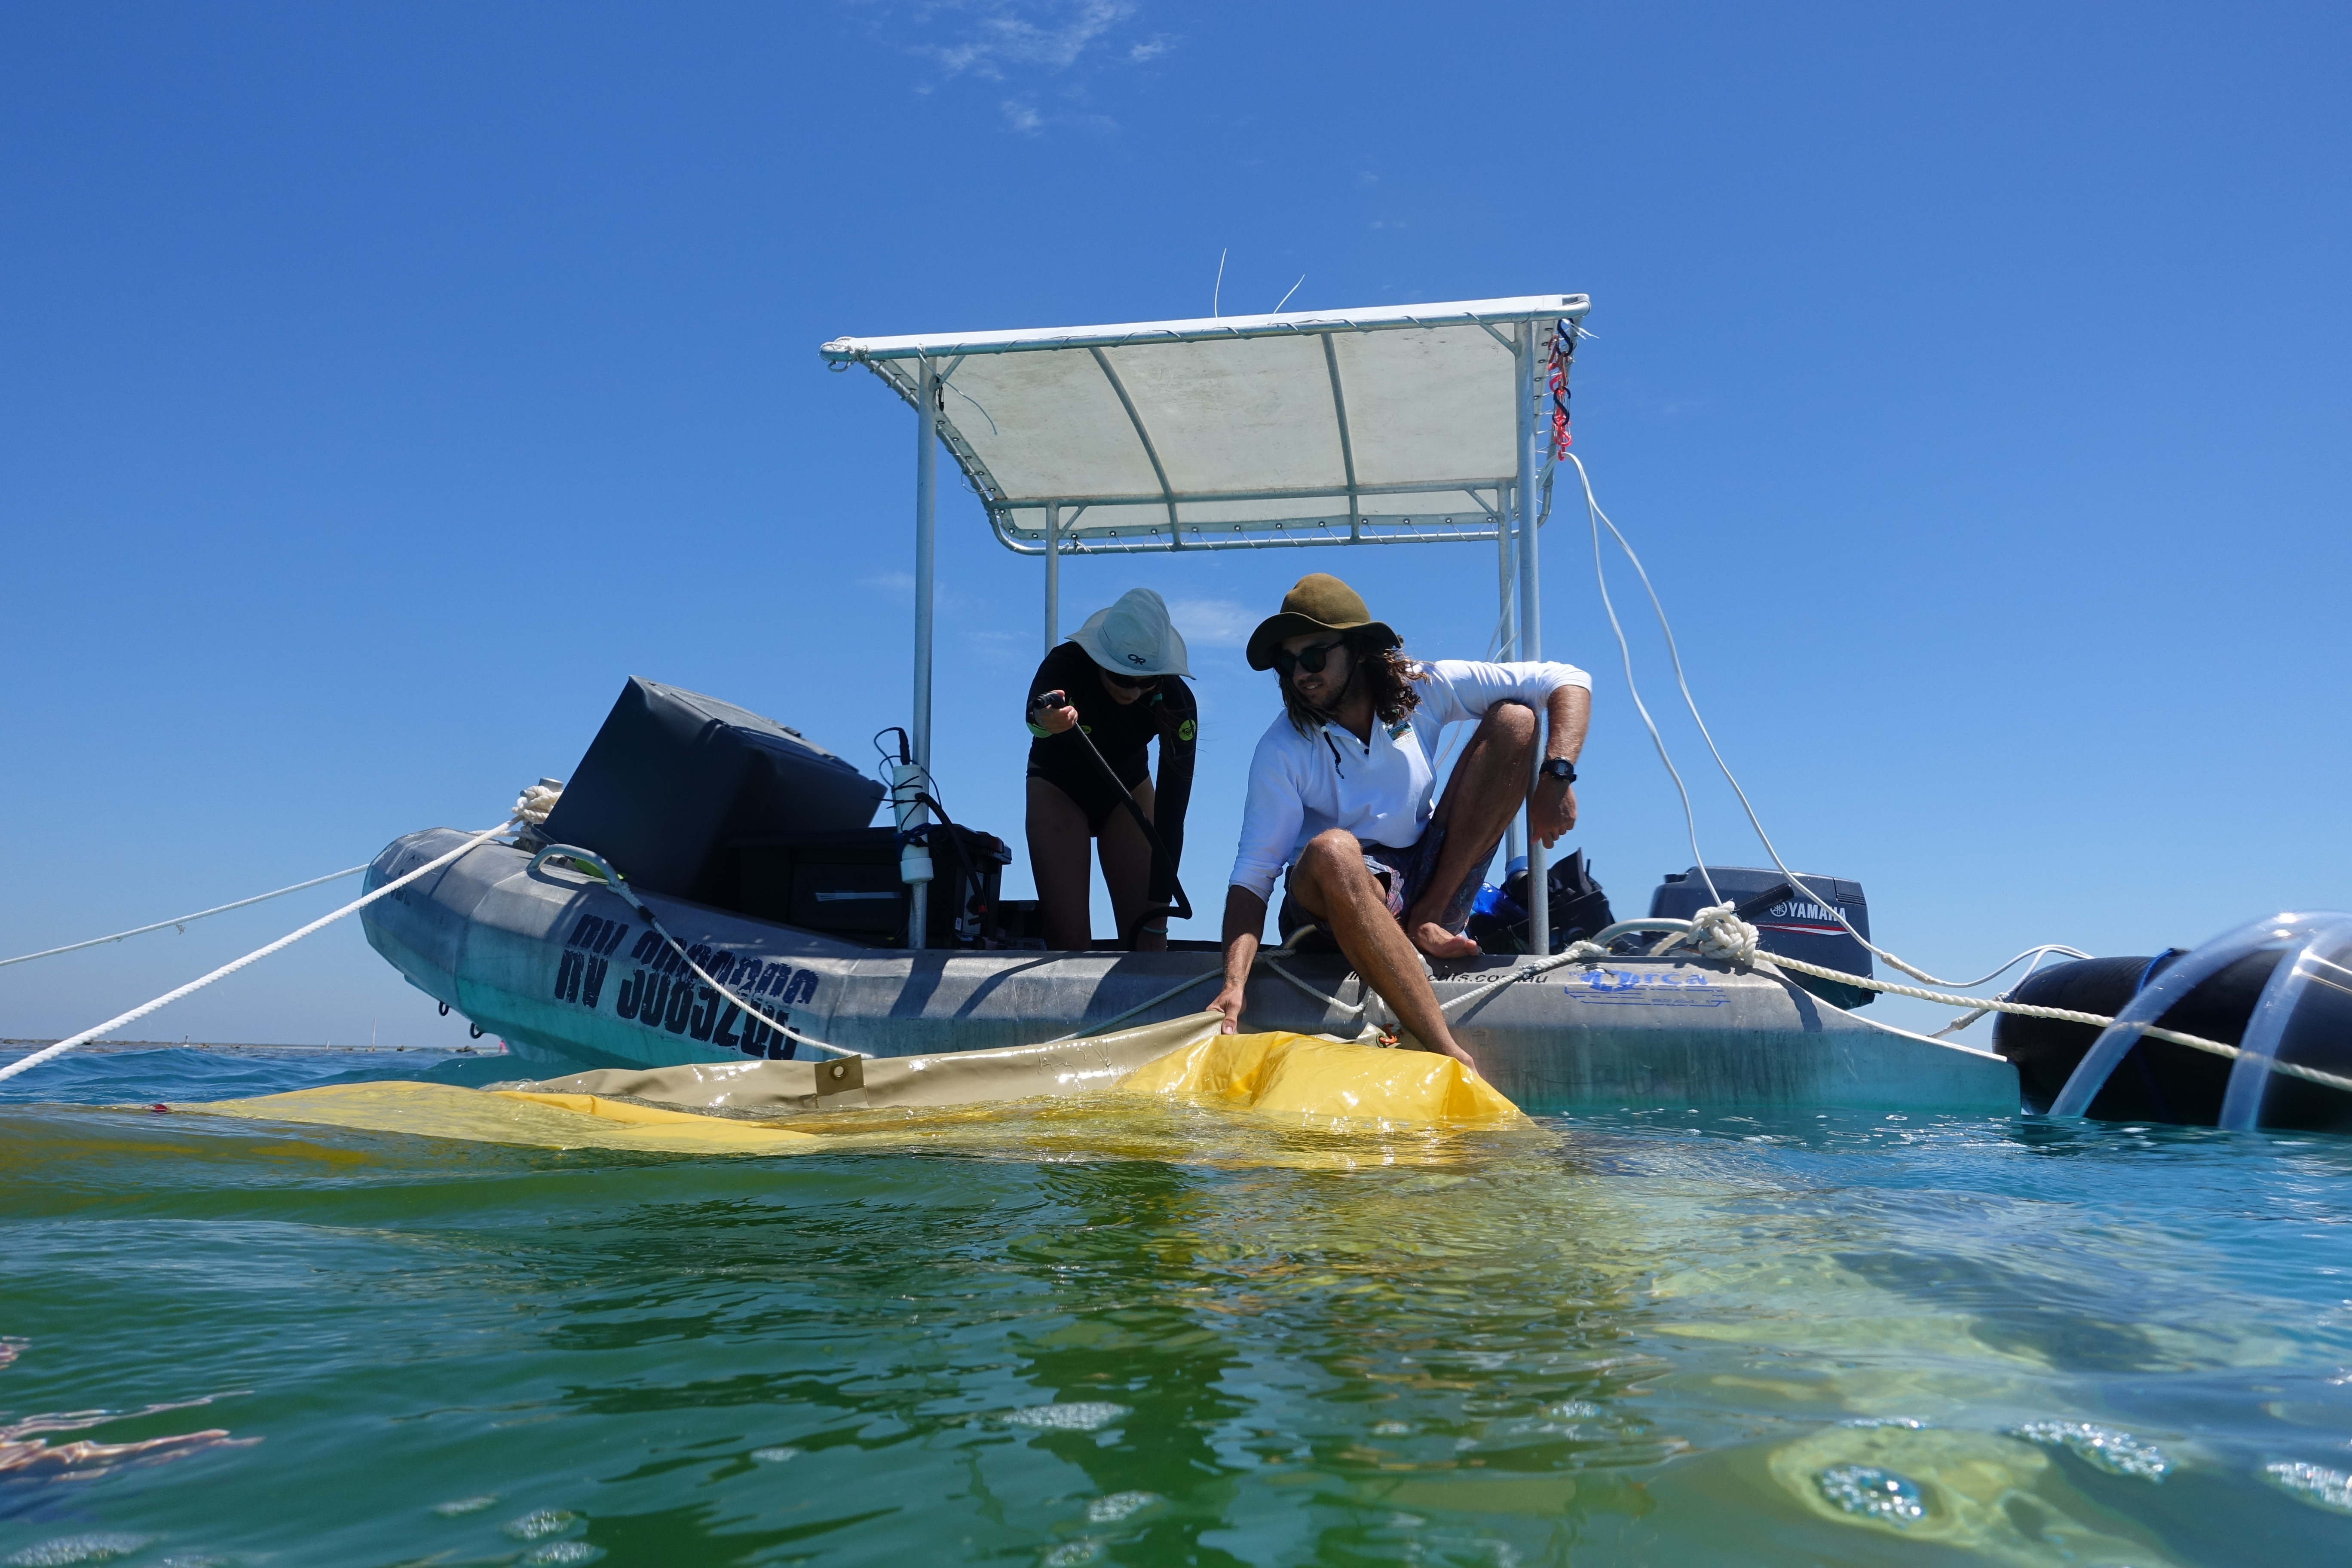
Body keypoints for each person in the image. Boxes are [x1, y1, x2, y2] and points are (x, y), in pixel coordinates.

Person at [1208, 574, 1590, 1070]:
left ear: (1358, 650)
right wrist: (1233, 986)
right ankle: (1444, 1049)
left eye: (1313, 657)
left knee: (1517, 720)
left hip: (1421, 872)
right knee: (1332, 850)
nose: (1300, 674)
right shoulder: (1281, 748)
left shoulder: (1421, 688)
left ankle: (1429, 919)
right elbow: (1254, 874)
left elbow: (1567, 679)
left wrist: (1556, 775)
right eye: (1286, 663)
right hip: (1331, 894)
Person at [1024, 588, 1198, 951]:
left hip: (1128, 792)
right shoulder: (1068, 664)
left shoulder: (1178, 700)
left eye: (1147, 680)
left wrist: (1159, 916)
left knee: (1149, 945)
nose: (1135, 692)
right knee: (1068, 945)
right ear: (1100, 660)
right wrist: (1047, 719)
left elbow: (1172, 814)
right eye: (1122, 677)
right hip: (1058, 787)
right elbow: (1035, 714)